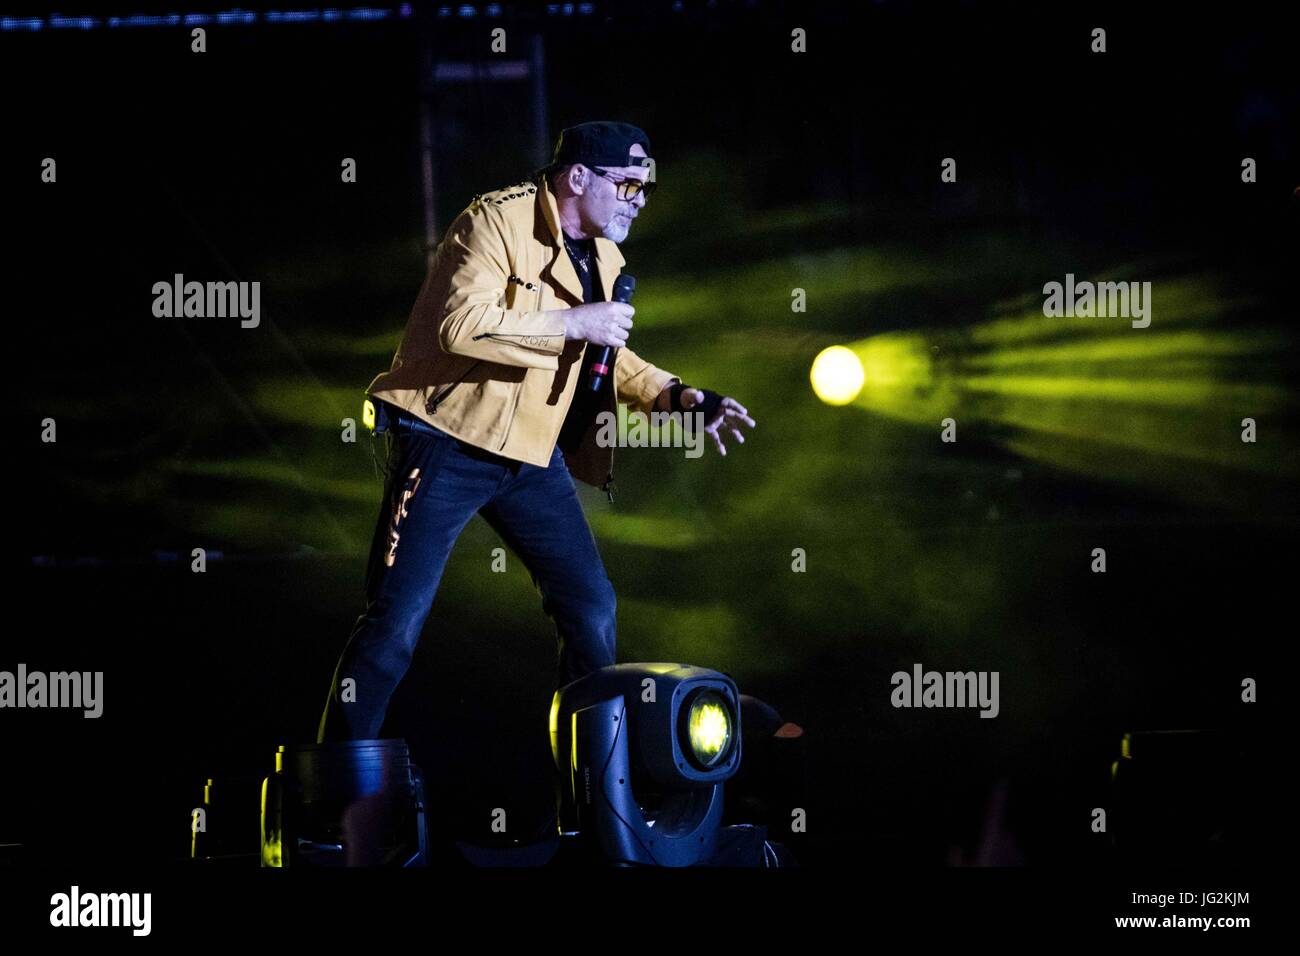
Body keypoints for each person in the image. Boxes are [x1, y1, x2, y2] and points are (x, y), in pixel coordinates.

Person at [317, 121, 755, 745]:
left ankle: (593, 767)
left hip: (529, 453)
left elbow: (605, 351)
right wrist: (573, 322)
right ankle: (338, 776)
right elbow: (461, 326)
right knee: (396, 621)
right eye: (627, 185)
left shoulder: (605, 255)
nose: (638, 200)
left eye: (645, 188)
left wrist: (675, 395)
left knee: (591, 606)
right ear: (578, 177)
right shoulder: (494, 221)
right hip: (445, 438)